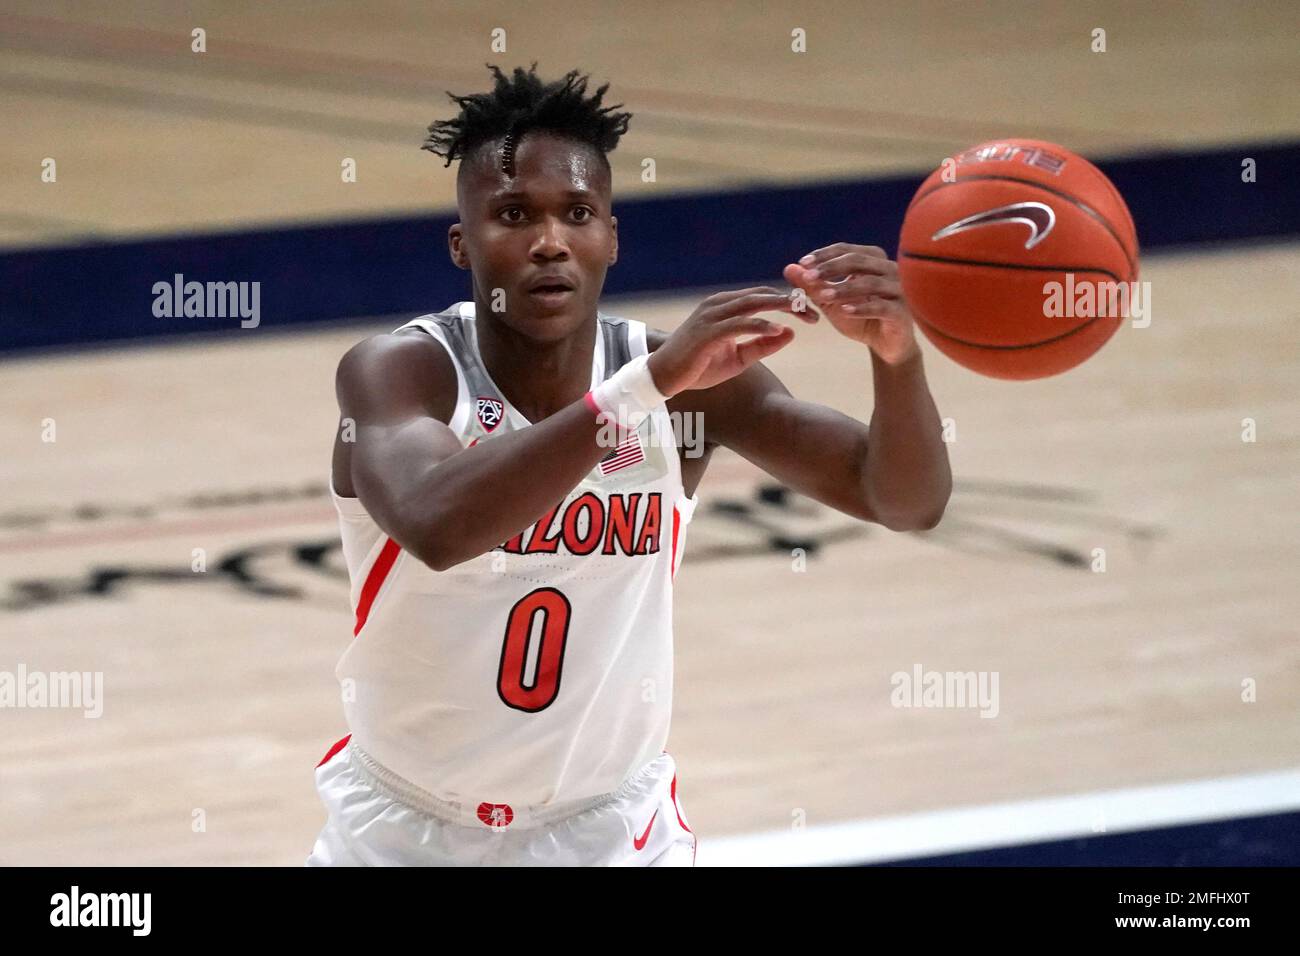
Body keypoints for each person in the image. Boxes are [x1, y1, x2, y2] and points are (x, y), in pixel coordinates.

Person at [308, 64, 951, 866]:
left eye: (577, 213)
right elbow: (439, 523)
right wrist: (648, 387)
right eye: (512, 215)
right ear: (460, 242)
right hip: (405, 828)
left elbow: (902, 500)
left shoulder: (683, 381)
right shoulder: (403, 372)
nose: (549, 241)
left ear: (610, 236)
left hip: (610, 831)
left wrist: (897, 357)